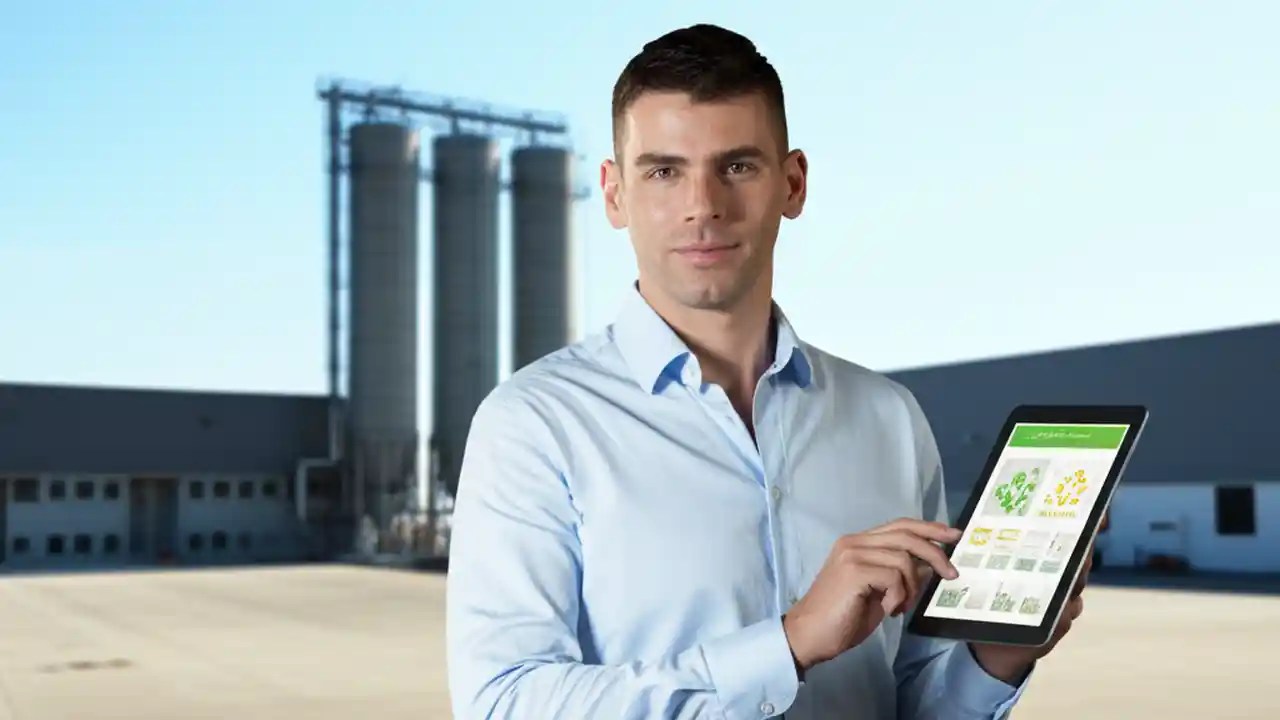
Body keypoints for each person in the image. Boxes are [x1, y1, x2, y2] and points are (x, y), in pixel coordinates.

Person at [446, 23, 1090, 719]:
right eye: (663, 171)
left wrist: (997, 655)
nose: (703, 205)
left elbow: (913, 703)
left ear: (793, 182)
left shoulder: (889, 418)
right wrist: (788, 645)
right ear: (614, 194)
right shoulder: (534, 424)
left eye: (737, 167)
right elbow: (502, 702)